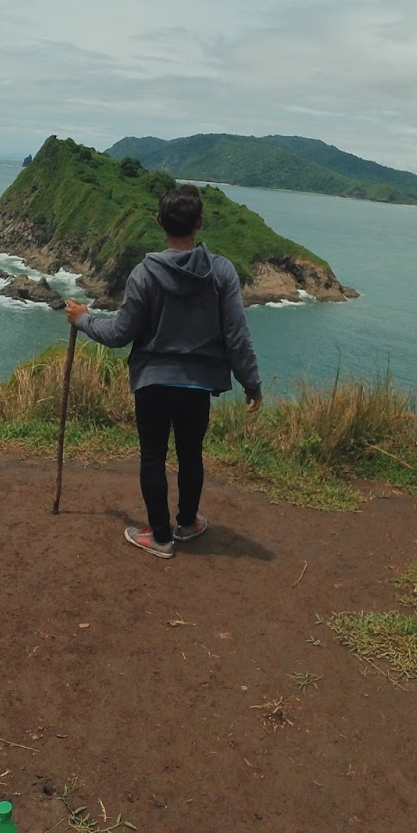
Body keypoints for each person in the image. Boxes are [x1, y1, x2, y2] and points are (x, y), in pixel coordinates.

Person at [65, 184, 262, 557]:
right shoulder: (221, 272)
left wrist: (83, 320)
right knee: (191, 454)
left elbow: (121, 333)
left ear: (159, 222)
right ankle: (187, 523)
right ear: (199, 222)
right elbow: (237, 334)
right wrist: (251, 382)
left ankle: (159, 537)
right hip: (197, 386)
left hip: (153, 383)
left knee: (153, 456)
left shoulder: (144, 274)